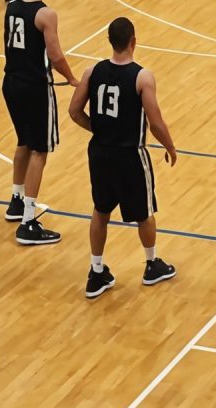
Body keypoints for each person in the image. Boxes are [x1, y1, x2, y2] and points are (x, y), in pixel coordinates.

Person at [68, 16, 179, 299]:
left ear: (110, 41)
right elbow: (155, 122)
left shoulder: (93, 71)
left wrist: (99, 128)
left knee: (100, 210)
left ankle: (96, 271)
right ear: (133, 42)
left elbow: (74, 110)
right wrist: (170, 147)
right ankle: (152, 264)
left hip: (100, 152)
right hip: (129, 154)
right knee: (144, 212)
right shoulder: (142, 77)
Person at [1, 0, 77, 246]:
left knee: (23, 141)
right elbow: (55, 55)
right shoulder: (45, 14)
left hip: (11, 82)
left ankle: (16, 199)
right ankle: (28, 221)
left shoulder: (11, 7)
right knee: (40, 150)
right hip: (34, 86)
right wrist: (71, 79)